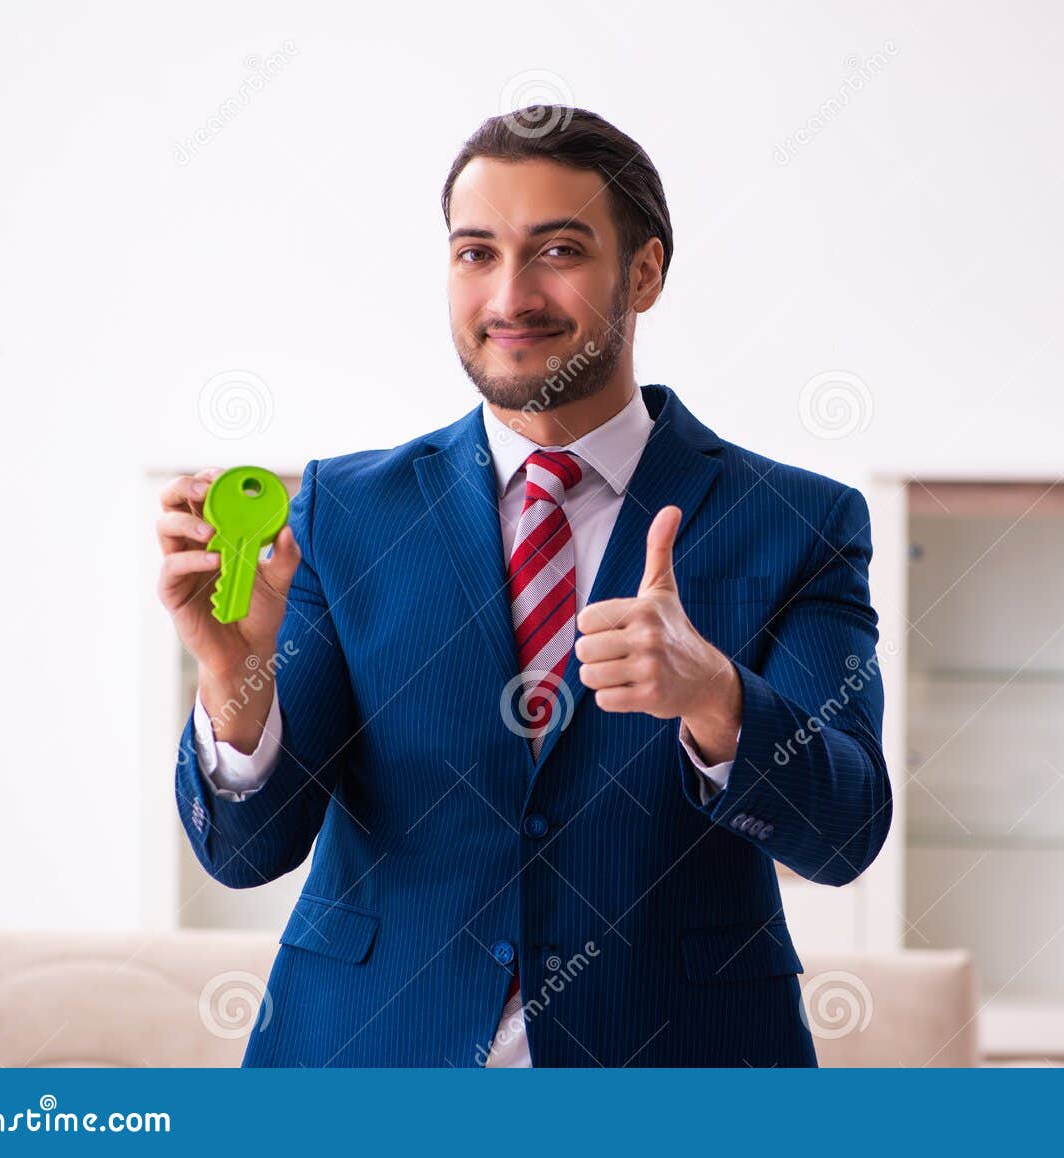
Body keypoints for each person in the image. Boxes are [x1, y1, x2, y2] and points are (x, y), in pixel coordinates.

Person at [156, 105, 892, 1067]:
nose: (511, 295)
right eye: (475, 253)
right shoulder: (346, 511)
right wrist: (235, 681)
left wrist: (716, 699)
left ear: (645, 273)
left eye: (558, 251)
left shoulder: (800, 523)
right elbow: (248, 852)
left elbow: (843, 835)